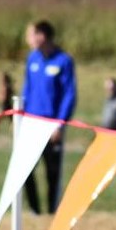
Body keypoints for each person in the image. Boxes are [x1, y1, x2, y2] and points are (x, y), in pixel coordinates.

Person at [22, 20, 77, 215]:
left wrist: (59, 125)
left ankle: (53, 211)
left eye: (32, 34)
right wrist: (21, 116)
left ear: (42, 36)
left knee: (52, 171)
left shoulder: (63, 61)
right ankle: (34, 210)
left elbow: (69, 95)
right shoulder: (32, 59)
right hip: (31, 123)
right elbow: (27, 89)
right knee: (26, 169)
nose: (28, 38)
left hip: (51, 125)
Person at [0, 71, 15, 138]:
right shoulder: (8, 87)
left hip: (3, 108)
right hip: (9, 107)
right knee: (13, 123)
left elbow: (3, 98)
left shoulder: (5, 88)